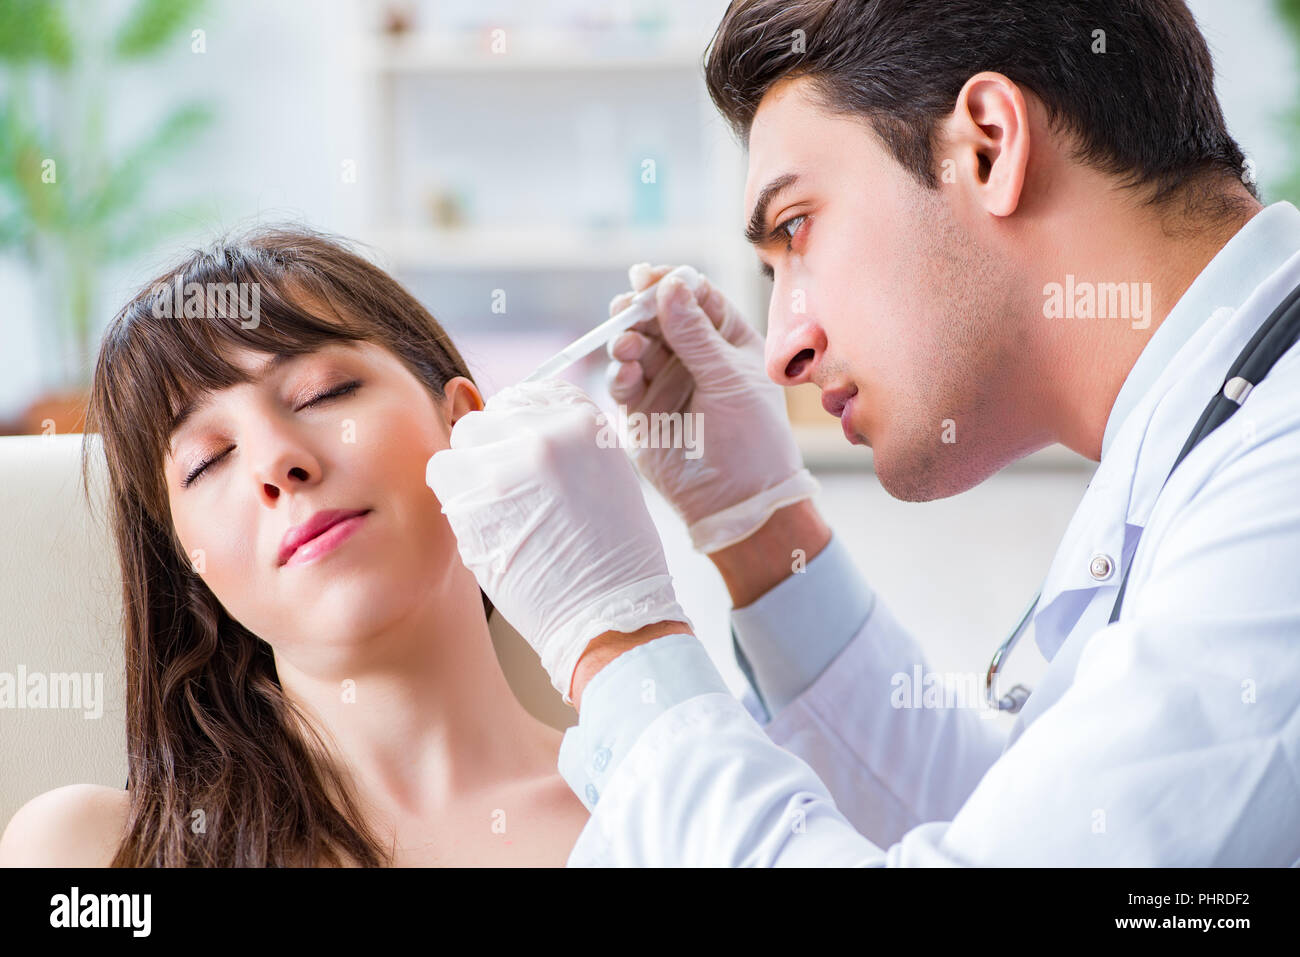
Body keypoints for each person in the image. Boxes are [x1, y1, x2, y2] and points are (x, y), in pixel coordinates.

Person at [426, 0, 1300, 865]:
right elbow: (1006, 821)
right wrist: (760, 529)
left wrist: (614, 640)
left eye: (797, 227)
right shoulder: (1220, 429)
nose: (781, 350)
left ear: (986, 147)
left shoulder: (1279, 481)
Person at [0, 226, 589, 866]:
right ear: (187, 563)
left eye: (322, 393)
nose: (277, 462)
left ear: (463, 421)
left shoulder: (658, 806)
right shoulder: (91, 850)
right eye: (207, 461)